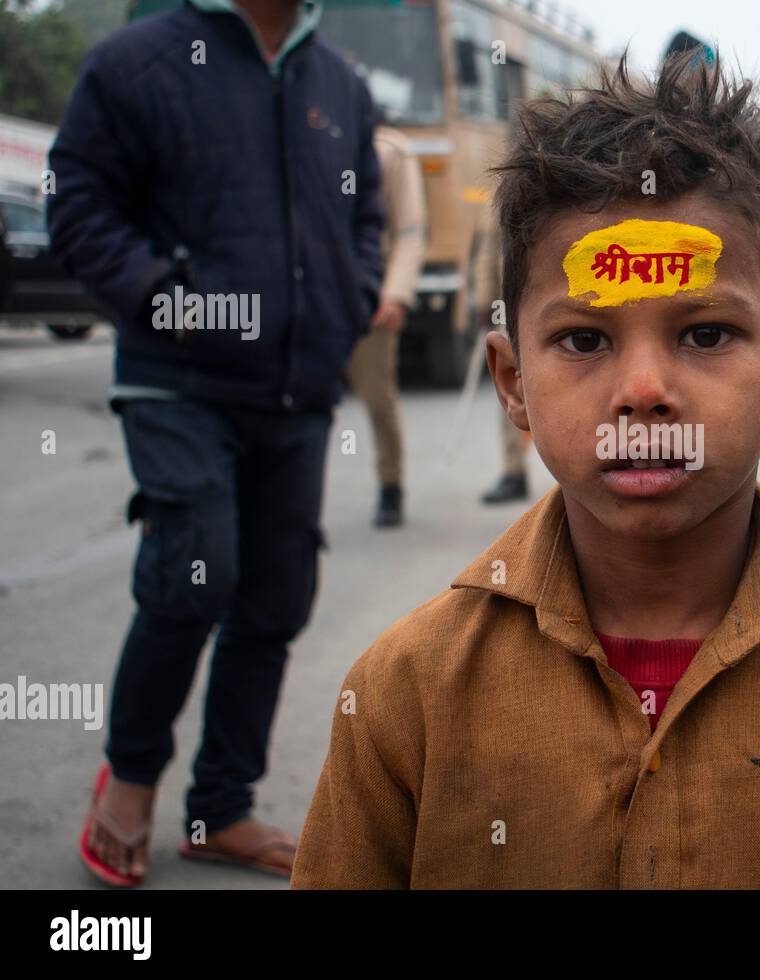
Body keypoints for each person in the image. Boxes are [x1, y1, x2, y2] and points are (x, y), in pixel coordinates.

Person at [291, 53, 760, 889]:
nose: (643, 393)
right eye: (584, 340)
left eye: (705, 334)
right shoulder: (404, 691)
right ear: (512, 381)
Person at [47, 0, 383, 886]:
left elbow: (365, 217)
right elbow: (77, 202)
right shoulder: (139, 63)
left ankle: (220, 808)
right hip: (179, 380)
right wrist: (168, 300)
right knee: (193, 573)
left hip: (298, 390)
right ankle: (127, 784)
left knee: (276, 598)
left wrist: (352, 296)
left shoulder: (340, 85)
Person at [346, 124, 426, 528]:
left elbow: (410, 229)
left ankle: (390, 486)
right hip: (312, 300)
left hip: (370, 296)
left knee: (378, 398)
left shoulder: (389, 151)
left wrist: (396, 292)